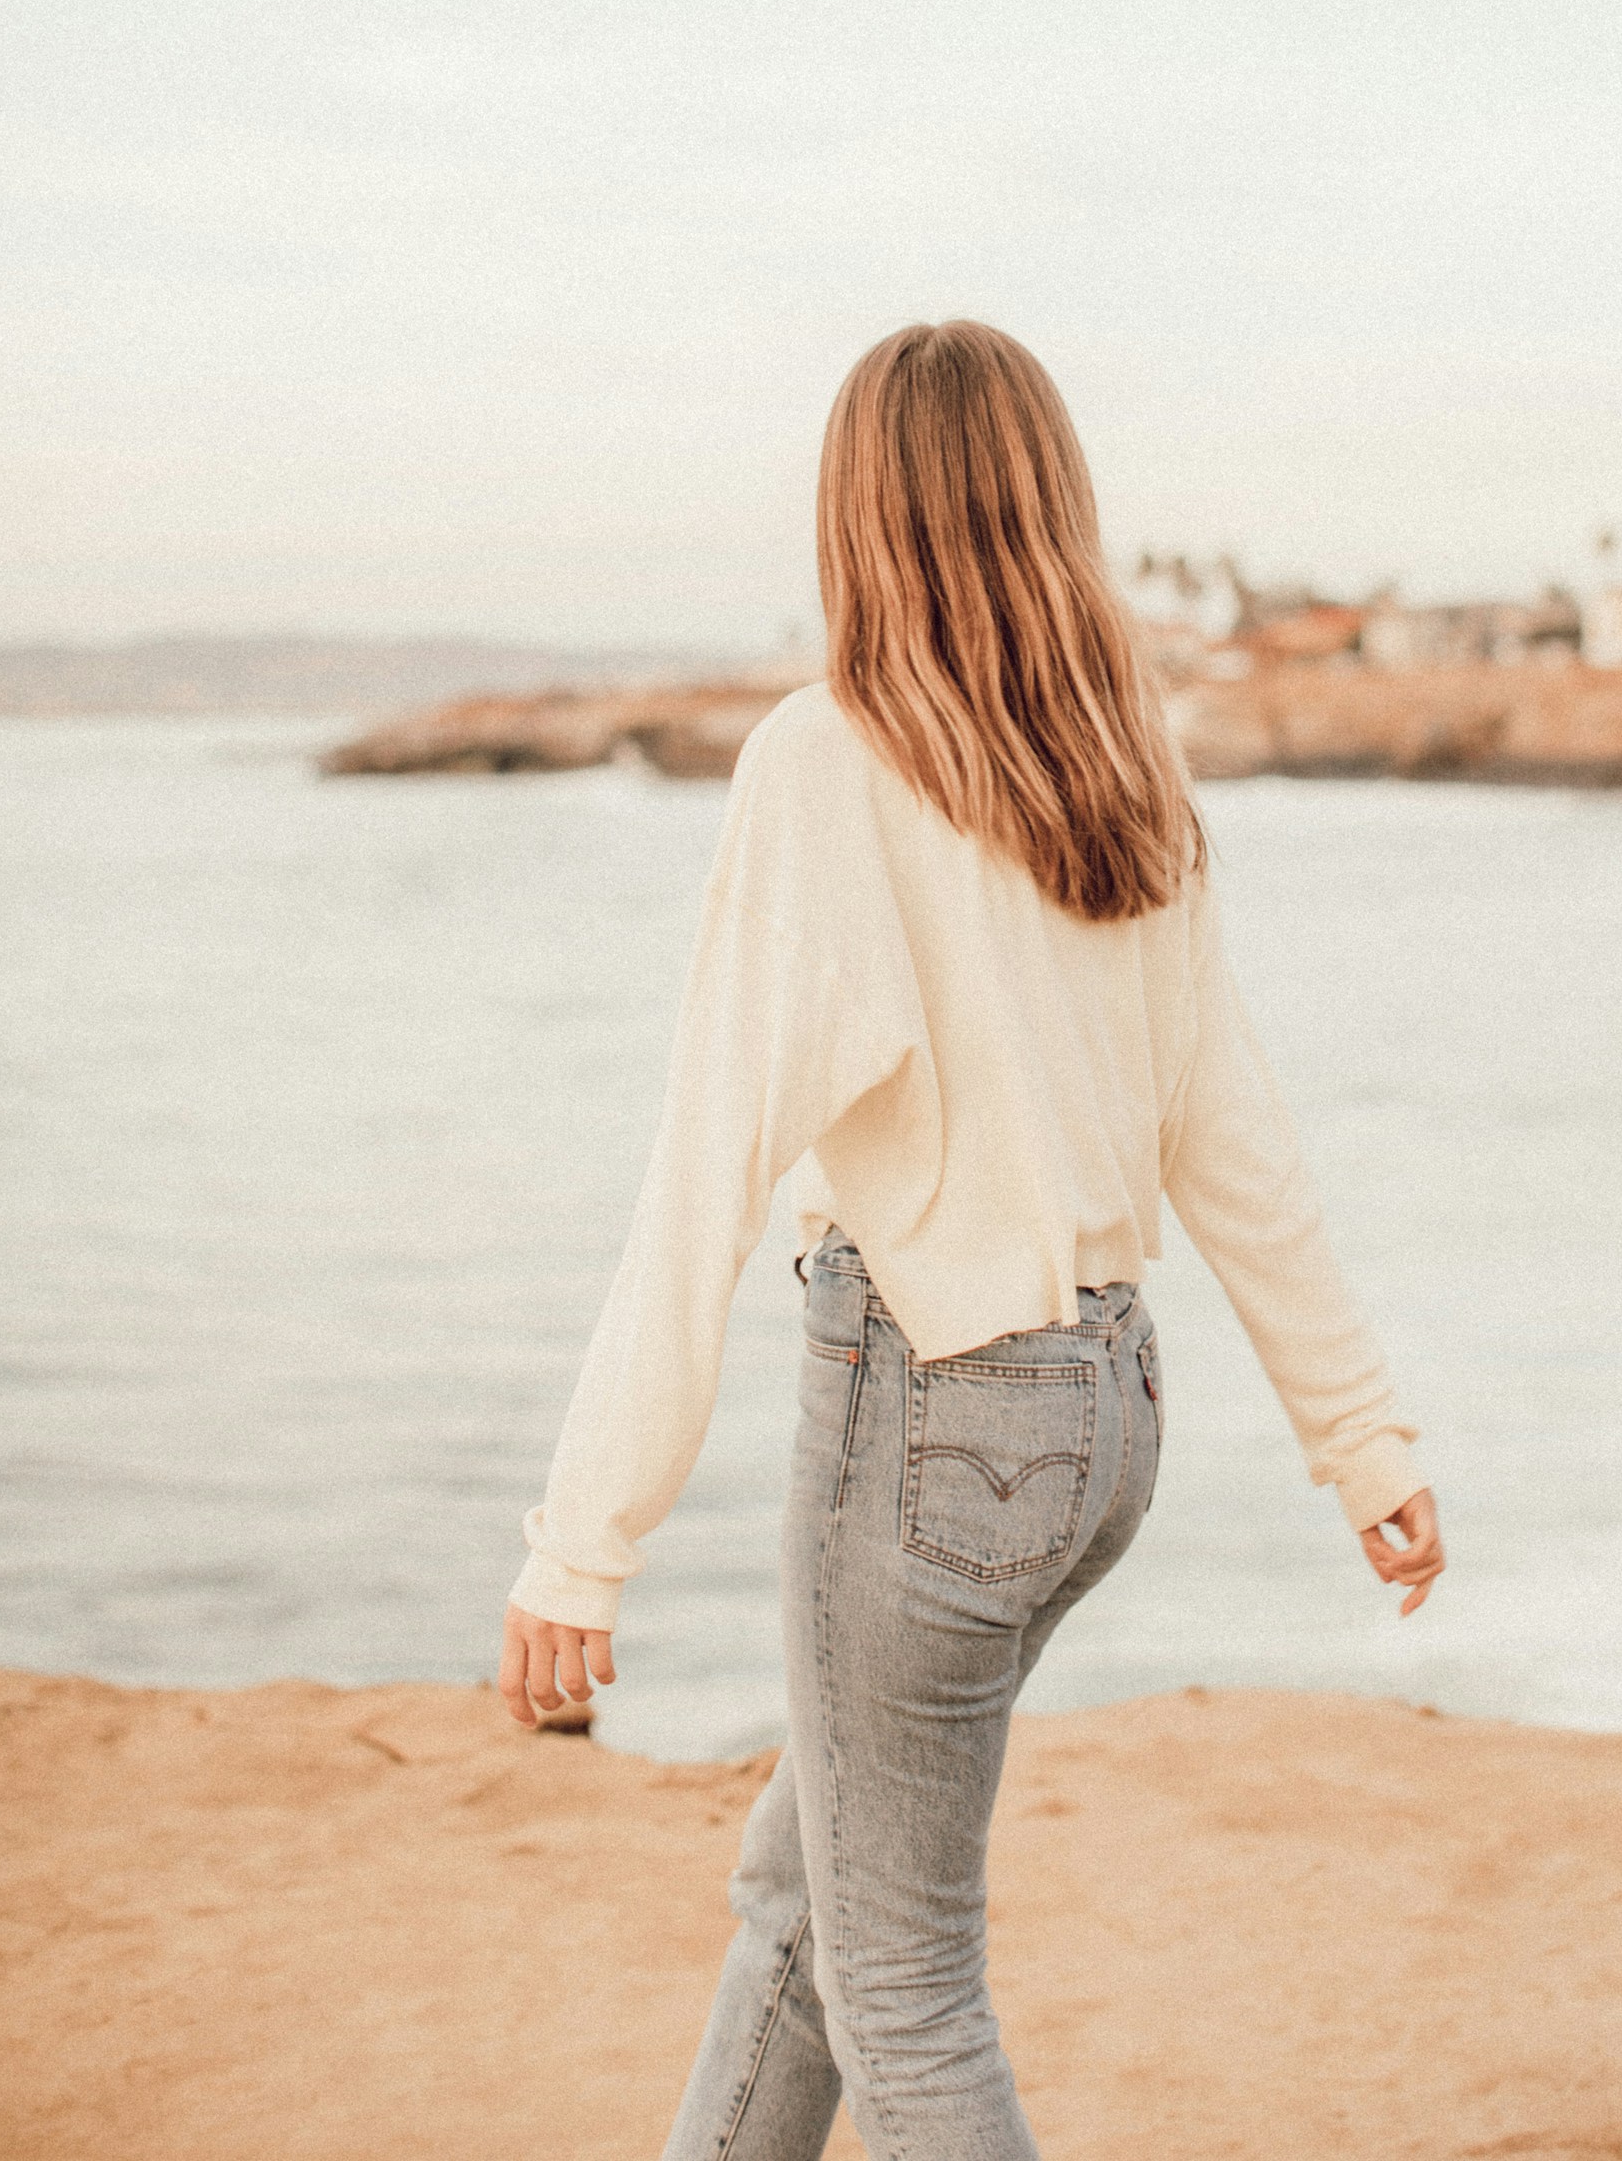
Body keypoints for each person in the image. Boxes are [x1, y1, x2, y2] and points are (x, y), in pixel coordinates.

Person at [498, 319, 1443, 2161]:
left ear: (858, 520)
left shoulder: (825, 765)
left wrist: (577, 1545)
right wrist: (1365, 1438)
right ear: (1052, 512)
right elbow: (1229, 1137)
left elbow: (705, 1172)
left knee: (907, 1991)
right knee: (813, 1900)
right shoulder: (1118, 767)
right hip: (1102, 1425)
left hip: (928, 1426)